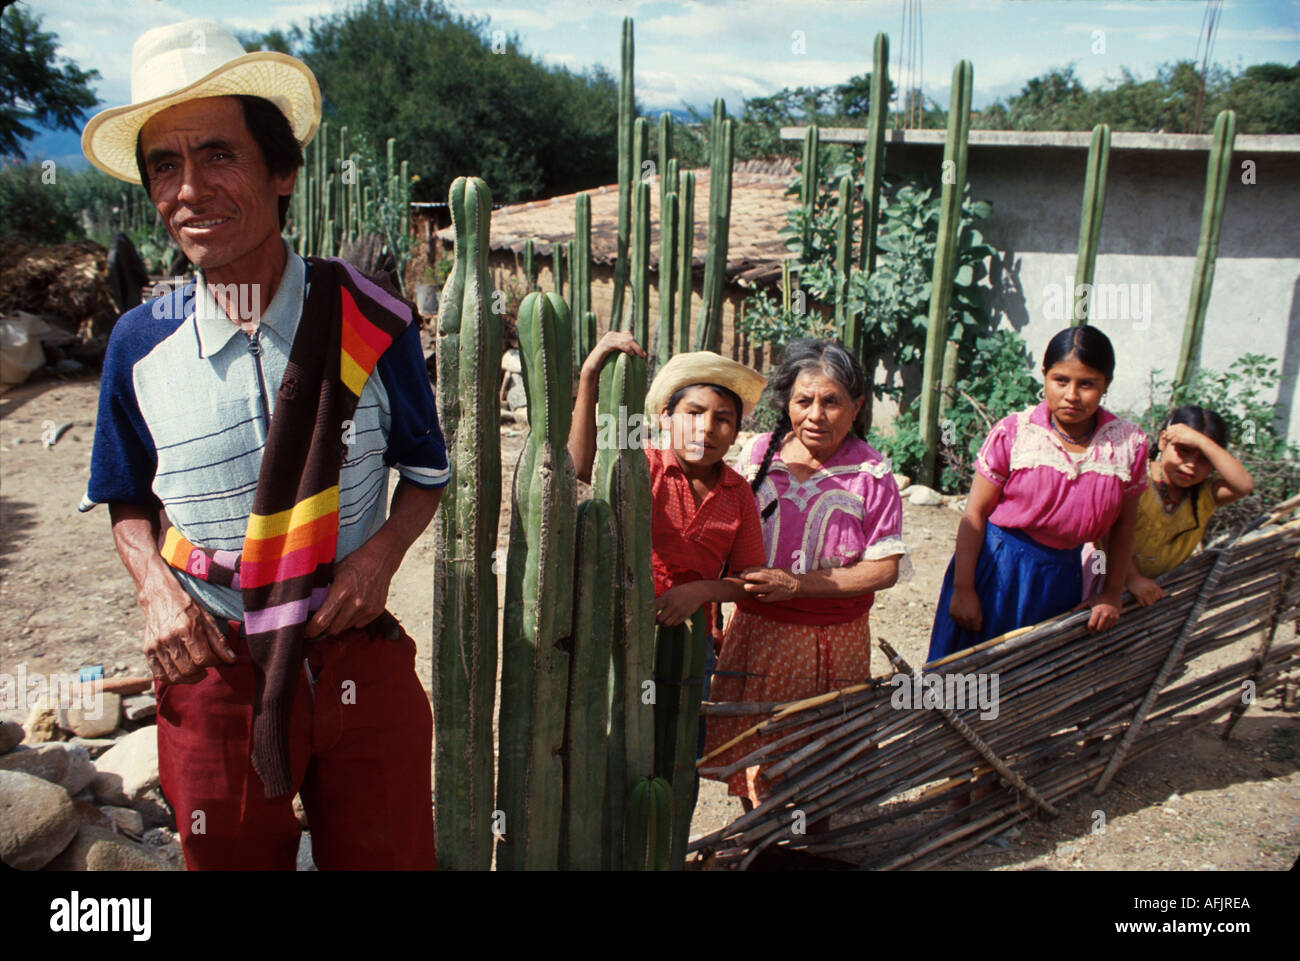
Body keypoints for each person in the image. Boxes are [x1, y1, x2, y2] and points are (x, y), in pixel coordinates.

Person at [79, 19, 447, 870]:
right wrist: (155, 595)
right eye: (164, 165)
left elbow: (425, 474)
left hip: (353, 646)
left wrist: (378, 558)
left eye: (217, 155)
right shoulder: (139, 343)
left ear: (282, 171)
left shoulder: (370, 321)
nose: (189, 190)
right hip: (213, 659)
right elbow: (124, 495)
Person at [702, 339, 908, 809]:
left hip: (829, 643)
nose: (816, 414)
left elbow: (884, 569)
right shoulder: (758, 454)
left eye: (832, 401)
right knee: (756, 750)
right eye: (803, 400)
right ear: (786, 404)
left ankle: (810, 848)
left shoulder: (871, 475)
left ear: (855, 406)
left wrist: (798, 585)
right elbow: (724, 535)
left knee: (818, 760)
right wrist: (714, 614)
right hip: (755, 632)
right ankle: (763, 845)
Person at [928, 326, 1147, 665]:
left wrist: (1111, 592)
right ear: (1044, 375)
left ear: (1106, 384)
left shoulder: (1126, 444)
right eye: (1061, 380)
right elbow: (974, 514)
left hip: (1062, 577)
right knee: (970, 672)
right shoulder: (1015, 433)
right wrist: (964, 589)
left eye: (1087, 383)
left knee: (1031, 675)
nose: (1072, 395)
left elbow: (1123, 526)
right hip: (998, 570)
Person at [567, 335, 768, 629]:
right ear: (665, 418)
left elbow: (749, 579)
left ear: (737, 433)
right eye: (694, 413)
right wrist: (589, 375)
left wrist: (702, 591)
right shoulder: (643, 466)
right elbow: (582, 466)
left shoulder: (738, 494)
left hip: (693, 643)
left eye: (723, 419)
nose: (707, 428)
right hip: (616, 632)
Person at [1087, 405, 1255, 605]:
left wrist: (1202, 441)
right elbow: (1106, 532)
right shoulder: (1134, 477)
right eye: (1183, 451)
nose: (1191, 464)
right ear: (1164, 440)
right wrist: (1131, 578)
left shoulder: (1205, 496)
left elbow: (1244, 485)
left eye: (1204, 458)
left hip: (1150, 593)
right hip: (1099, 581)